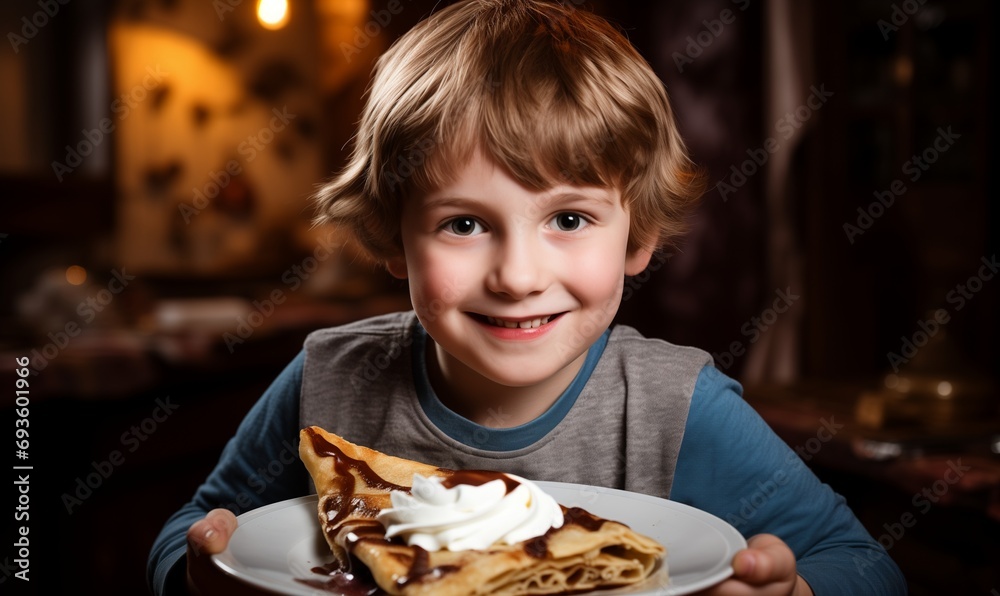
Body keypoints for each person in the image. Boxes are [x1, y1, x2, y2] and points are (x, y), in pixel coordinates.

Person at [148, 1, 907, 594]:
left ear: (637, 236)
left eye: (569, 219)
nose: (517, 276)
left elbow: (868, 568)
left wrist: (794, 589)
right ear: (389, 237)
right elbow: (190, 531)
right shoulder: (328, 380)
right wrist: (201, 573)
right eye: (464, 223)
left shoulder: (677, 409)